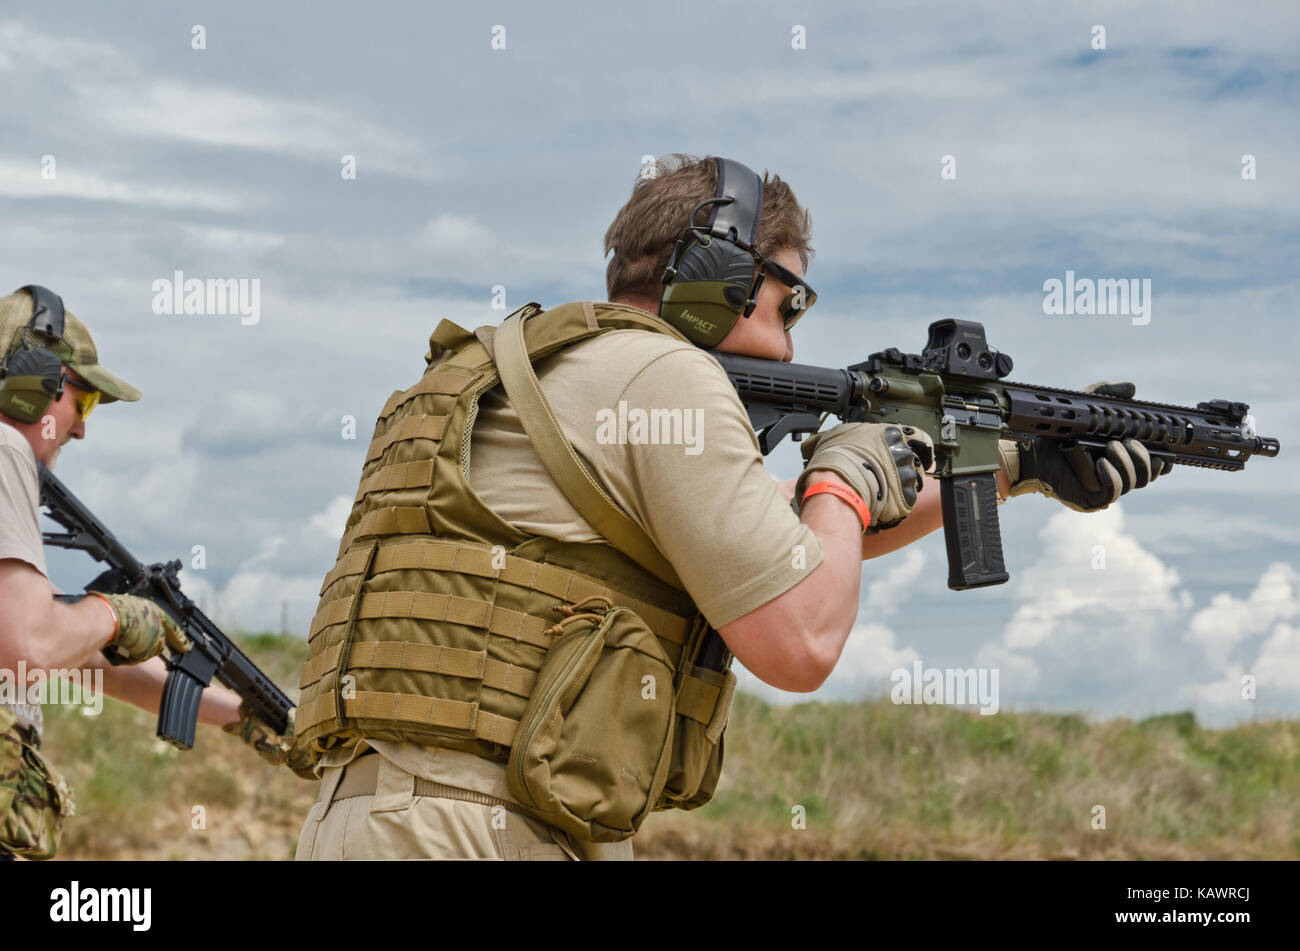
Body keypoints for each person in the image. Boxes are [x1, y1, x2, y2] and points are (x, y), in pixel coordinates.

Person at [292, 155, 1170, 861]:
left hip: (368, 816)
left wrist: (1012, 466)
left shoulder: (512, 369)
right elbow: (799, 638)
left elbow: (760, 545)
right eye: (789, 303)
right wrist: (844, 478)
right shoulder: (668, 374)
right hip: (482, 827)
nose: (793, 340)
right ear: (718, 274)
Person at [0, 285, 287, 860]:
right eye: (80, 403)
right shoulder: (6, 448)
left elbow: (71, 656)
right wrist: (114, 615)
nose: (81, 430)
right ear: (33, 383)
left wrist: (241, 717)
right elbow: (28, 649)